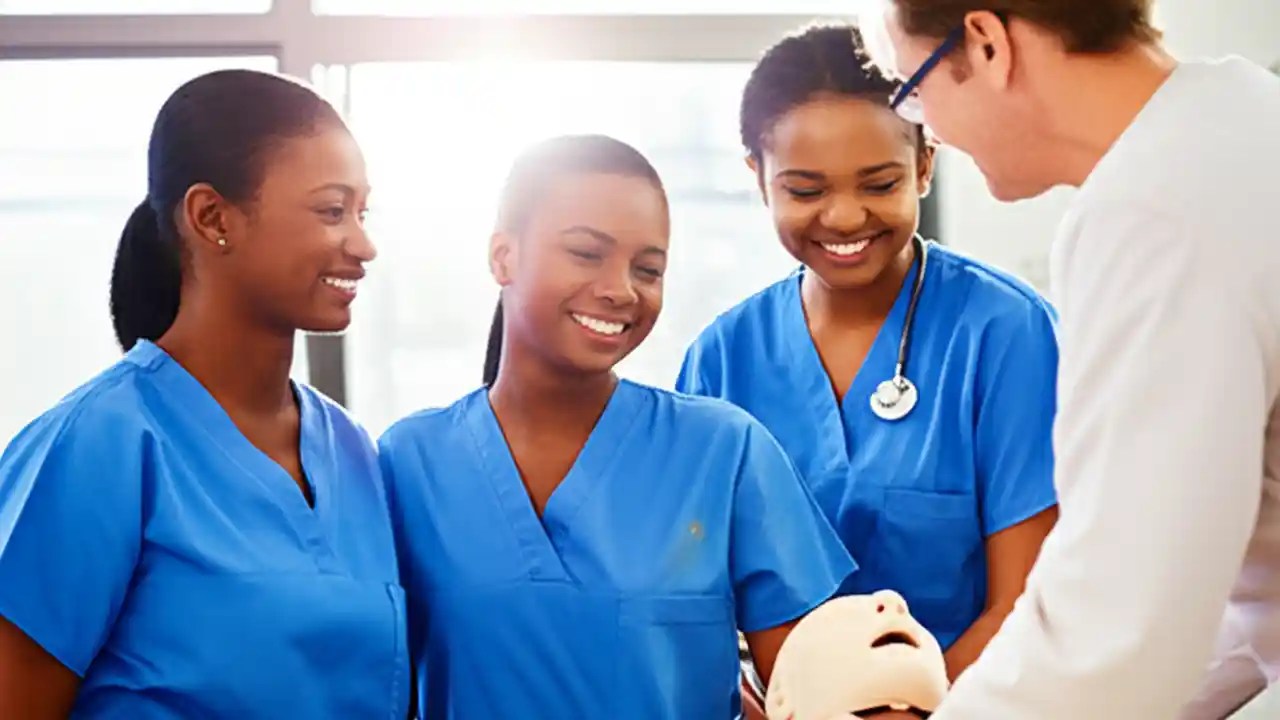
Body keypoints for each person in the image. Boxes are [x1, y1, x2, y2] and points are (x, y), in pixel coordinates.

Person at [860, 1, 1280, 717]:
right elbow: (1234, 591)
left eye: (914, 90)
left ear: (986, 45)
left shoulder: (1155, 210)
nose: (930, 129)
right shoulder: (1243, 116)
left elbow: (1113, 634)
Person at [377, 134, 856, 719]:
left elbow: (823, 697)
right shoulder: (411, 462)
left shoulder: (723, 451)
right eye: (585, 253)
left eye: (648, 269)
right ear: (503, 256)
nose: (620, 289)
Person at [0, 69, 407, 718]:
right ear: (212, 218)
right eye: (332, 211)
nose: (364, 244)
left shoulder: (352, 449)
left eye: (363, 212)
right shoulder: (100, 443)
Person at [676, 24, 1060, 682]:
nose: (846, 217)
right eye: (806, 191)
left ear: (925, 164)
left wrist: (909, 710)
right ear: (759, 179)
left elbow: (1026, 604)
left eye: (879, 184)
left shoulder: (1006, 333)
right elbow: (695, 604)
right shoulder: (722, 360)